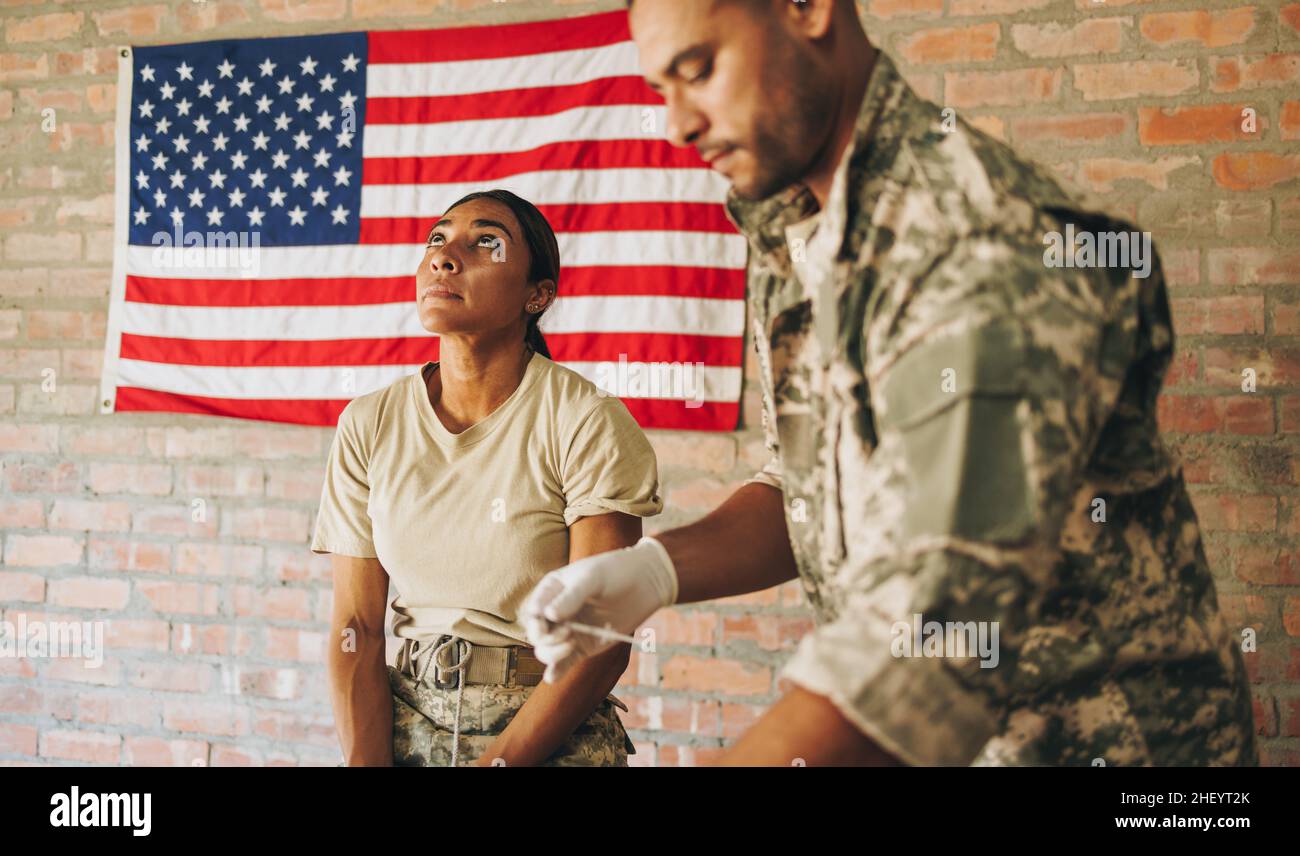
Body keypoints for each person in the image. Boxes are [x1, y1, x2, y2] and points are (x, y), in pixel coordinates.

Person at [520, 0, 1258, 766]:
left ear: (807, 9)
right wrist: (656, 570)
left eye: (699, 70)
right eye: (659, 88)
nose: (676, 124)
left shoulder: (982, 244)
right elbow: (807, 490)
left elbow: (929, 639)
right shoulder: (801, 229)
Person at [312, 189, 662, 766]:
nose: (445, 258)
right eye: (438, 239)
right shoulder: (369, 422)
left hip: (548, 733)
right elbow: (356, 627)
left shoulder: (586, 420)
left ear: (537, 295)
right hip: (408, 725)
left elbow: (598, 639)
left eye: (485, 243)